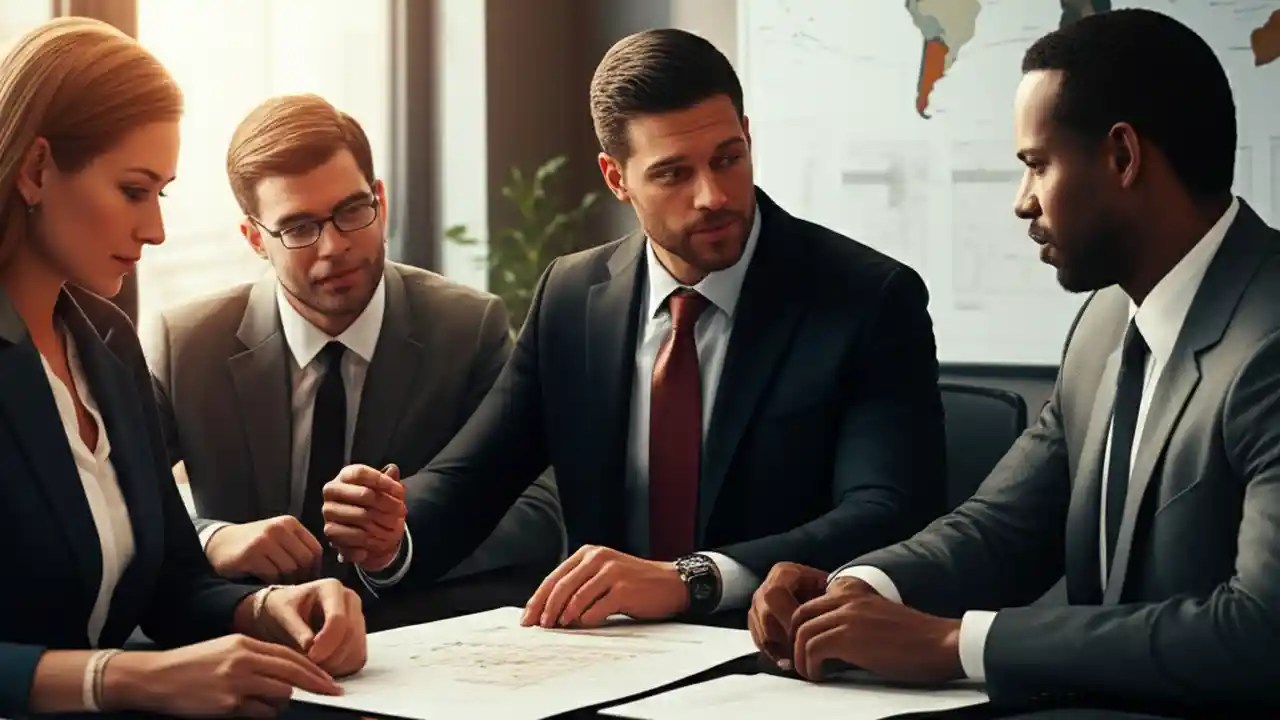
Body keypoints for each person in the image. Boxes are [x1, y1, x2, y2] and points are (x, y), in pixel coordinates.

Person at [322, 28, 946, 628]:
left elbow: (887, 513)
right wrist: (391, 534)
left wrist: (691, 578)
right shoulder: (572, 295)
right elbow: (475, 477)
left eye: (728, 158)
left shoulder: (867, 298)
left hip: (779, 654)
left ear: (749, 138)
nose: (713, 196)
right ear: (616, 178)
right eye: (673, 173)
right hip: (611, 659)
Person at [748, 8, 1280, 711]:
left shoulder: (1269, 341)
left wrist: (955, 645)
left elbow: (1259, 632)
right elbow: (1000, 528)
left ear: (1122, 157)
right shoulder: (1102, 327)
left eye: (1037, 164)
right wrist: (857, 590)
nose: (1022, 202)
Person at [0, 18, 366, 717]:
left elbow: (170, 580)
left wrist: (268, 608)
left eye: (161, 195)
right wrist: (122, 679)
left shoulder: (106, 341)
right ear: (37, 168)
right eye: (134, 191)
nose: (155, 230)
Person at [148, 94, 565, 592]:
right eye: (300, 227)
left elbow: (539, 511)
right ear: (255, 238)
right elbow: (123, 509)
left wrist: (402, 538)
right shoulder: (188, 346)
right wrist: (213, 539)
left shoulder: (467, 328)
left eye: (352, 210)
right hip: (249, 637)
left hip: (412, 641)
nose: (335, 246)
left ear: (381, 201)